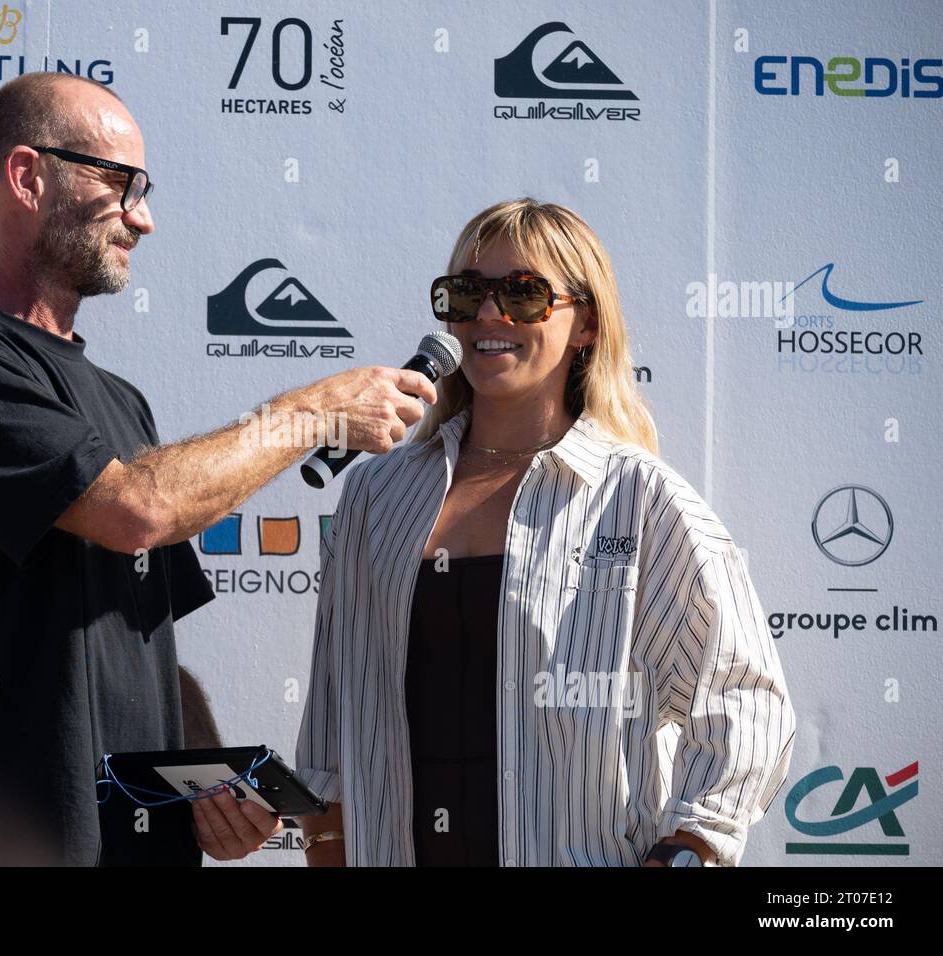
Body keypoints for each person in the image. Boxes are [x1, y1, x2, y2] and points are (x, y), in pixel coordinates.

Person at [0, 72, 437, 866]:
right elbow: (132, 510)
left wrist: (210, 779)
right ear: (28, 178)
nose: (145, 217)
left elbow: (149, 640)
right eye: (122, 184)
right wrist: (312, 412)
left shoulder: (121, 403)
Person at [295, 199, 796, 867]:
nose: (489, 316)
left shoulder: (639, 499)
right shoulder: (375, 493)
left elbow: (746, 702)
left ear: (585, 323)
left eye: (524, 294)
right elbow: (336, 708)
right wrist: (327, 844)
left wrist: (691, 846)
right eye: (466, 292)